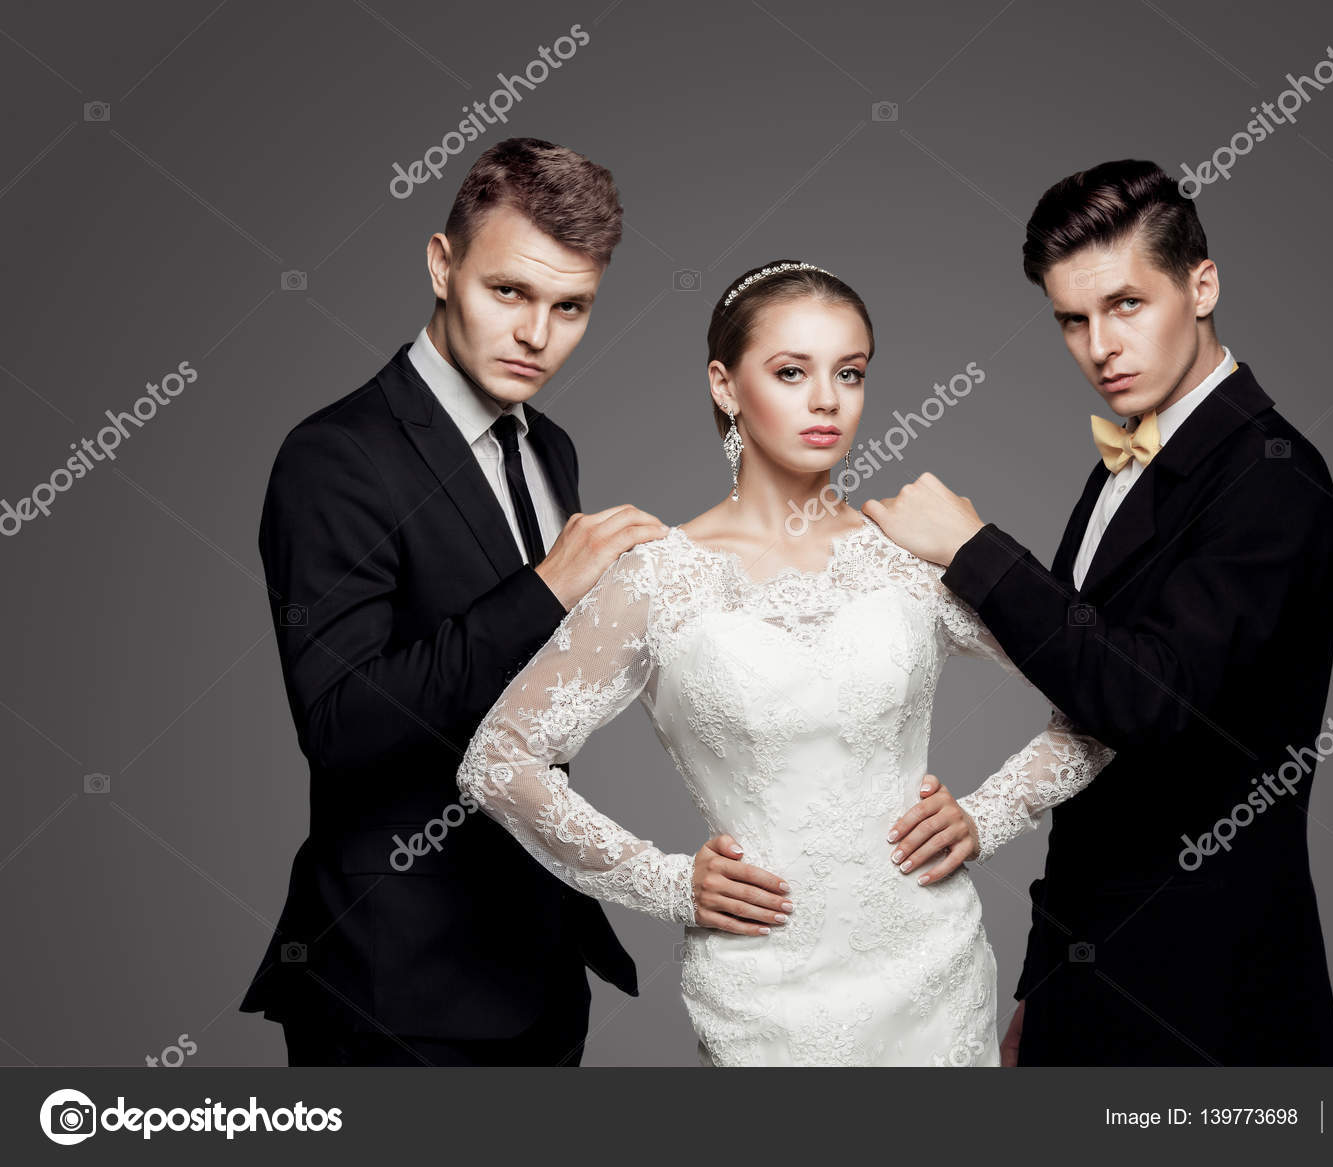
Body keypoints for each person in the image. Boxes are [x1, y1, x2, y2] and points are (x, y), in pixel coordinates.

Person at [454, 259, 1116, 1066]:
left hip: (932, 970)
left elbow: (1104, 696)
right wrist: (666, 881)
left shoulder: (914, 552)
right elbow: (497, 759)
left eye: (851, 372)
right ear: (726, 385)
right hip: (763, 991)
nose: (828, 399)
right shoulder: (657, 575)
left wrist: (989, 813)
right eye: (792, 371)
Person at [865, 159, 1333, 1066]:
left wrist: (973, 549)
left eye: (1126, 305)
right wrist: (1043, 992)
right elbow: (1083, 713)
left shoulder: (1273, 478)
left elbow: (1146, 700)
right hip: (1091, 973)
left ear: (1201, 285)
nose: (1100, 347)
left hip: (1210, 995)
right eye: (1072, 320)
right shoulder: (1126, 464)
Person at [243, 138, 671, 1065]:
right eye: (508, 292)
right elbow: (341, 721)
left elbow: (532, 694)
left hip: (543, 965)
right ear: (442, 266)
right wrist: (549, 585)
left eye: (571, 307)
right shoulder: (335, 456)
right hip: (395, 979)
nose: (536, 334)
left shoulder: (548, 447)